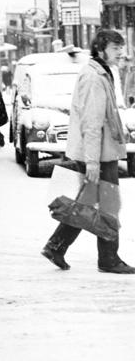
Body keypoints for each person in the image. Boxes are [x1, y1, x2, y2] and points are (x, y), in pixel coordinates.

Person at [41, 29, 134, 274]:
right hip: (98, 154)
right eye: (115, 48)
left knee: (89, 201)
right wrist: (93, 162)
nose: (120, 53)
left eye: (121, 47)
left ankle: (56, 246)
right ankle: (108, 259)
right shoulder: (94, 77)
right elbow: (92, 122)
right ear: (101, 49)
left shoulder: (102, 72)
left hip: (102, 151)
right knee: (108, 204)